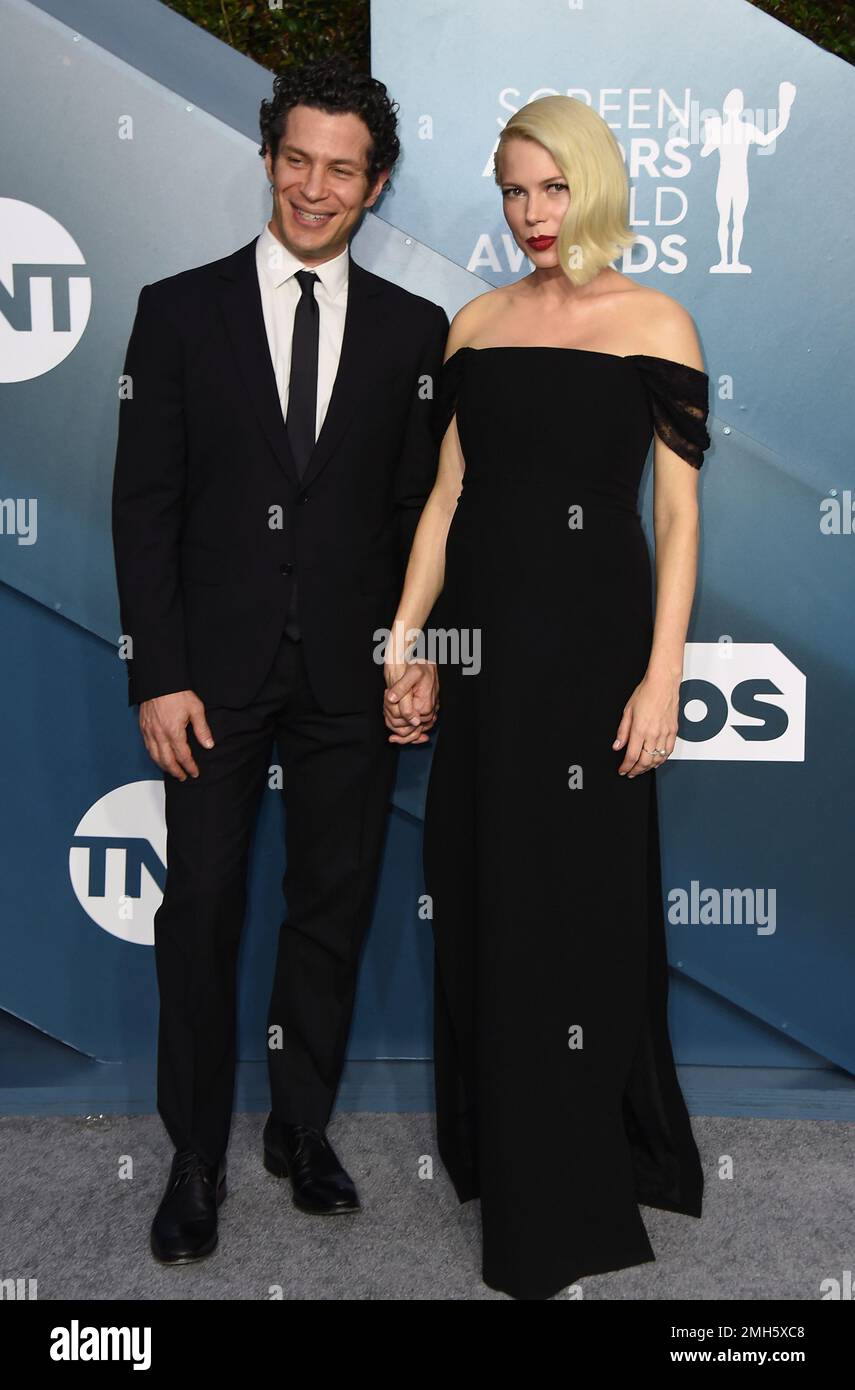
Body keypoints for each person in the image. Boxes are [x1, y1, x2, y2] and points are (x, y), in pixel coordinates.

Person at [112, 56, 446, 1265]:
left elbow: (424, 516)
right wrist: (157, 670)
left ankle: (300, 1129)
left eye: (342, 169)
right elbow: (142, 508)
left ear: (377, 183)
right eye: (296, 158)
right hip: (209, 676)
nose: (315, 187)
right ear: (267, 157)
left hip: (351, 678)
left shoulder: (419, 333)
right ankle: (194, 1154)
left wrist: (424, 656)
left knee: (331, 908)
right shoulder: (177, 311)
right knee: (198, 909)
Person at [383, 94, 710, 1300]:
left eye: (552, 187)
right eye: (514, 190)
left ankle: (572, 1189)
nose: (531, 214)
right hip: (485, 663)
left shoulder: (658, 323)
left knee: (575, 905)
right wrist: (404, 639)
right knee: (485, 893)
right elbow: (445, 502)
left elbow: (676, 515)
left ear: (594, 184)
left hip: (596, 656)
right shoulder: (475, 325)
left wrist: (663, 668)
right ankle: (505, 1146)